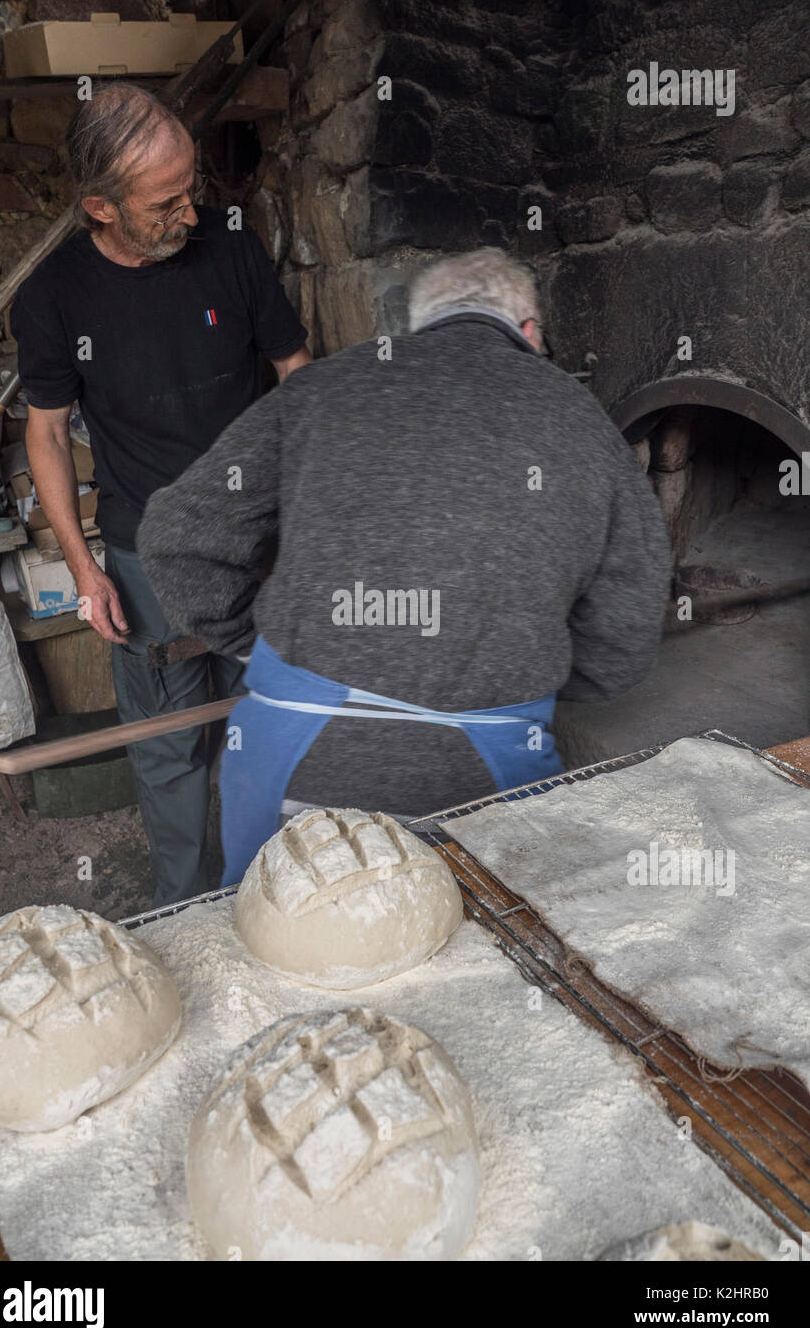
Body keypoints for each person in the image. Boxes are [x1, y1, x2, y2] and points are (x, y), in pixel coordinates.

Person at [137, 247, 671, 883]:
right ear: (530, 333)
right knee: (493, 962)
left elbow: (176, 533)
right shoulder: (579, 417)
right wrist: (518, 674)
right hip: (490, 768)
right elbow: (629, 627)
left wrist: (256, 646)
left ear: (417, 326)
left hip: (296, 751)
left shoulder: (324, 386)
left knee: (267, 958)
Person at [10, 82, 311, 906]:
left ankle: (284, 902)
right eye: (167, 202)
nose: (190, 214)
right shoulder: (55, 296)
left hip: (257, 538)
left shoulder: (232, 248)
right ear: (99, 207)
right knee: (170, 746)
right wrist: (85, 570)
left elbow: (294, 373)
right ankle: (189, 910)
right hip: (148, 549)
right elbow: (45, 434)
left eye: (193, 192)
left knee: (275, 724)